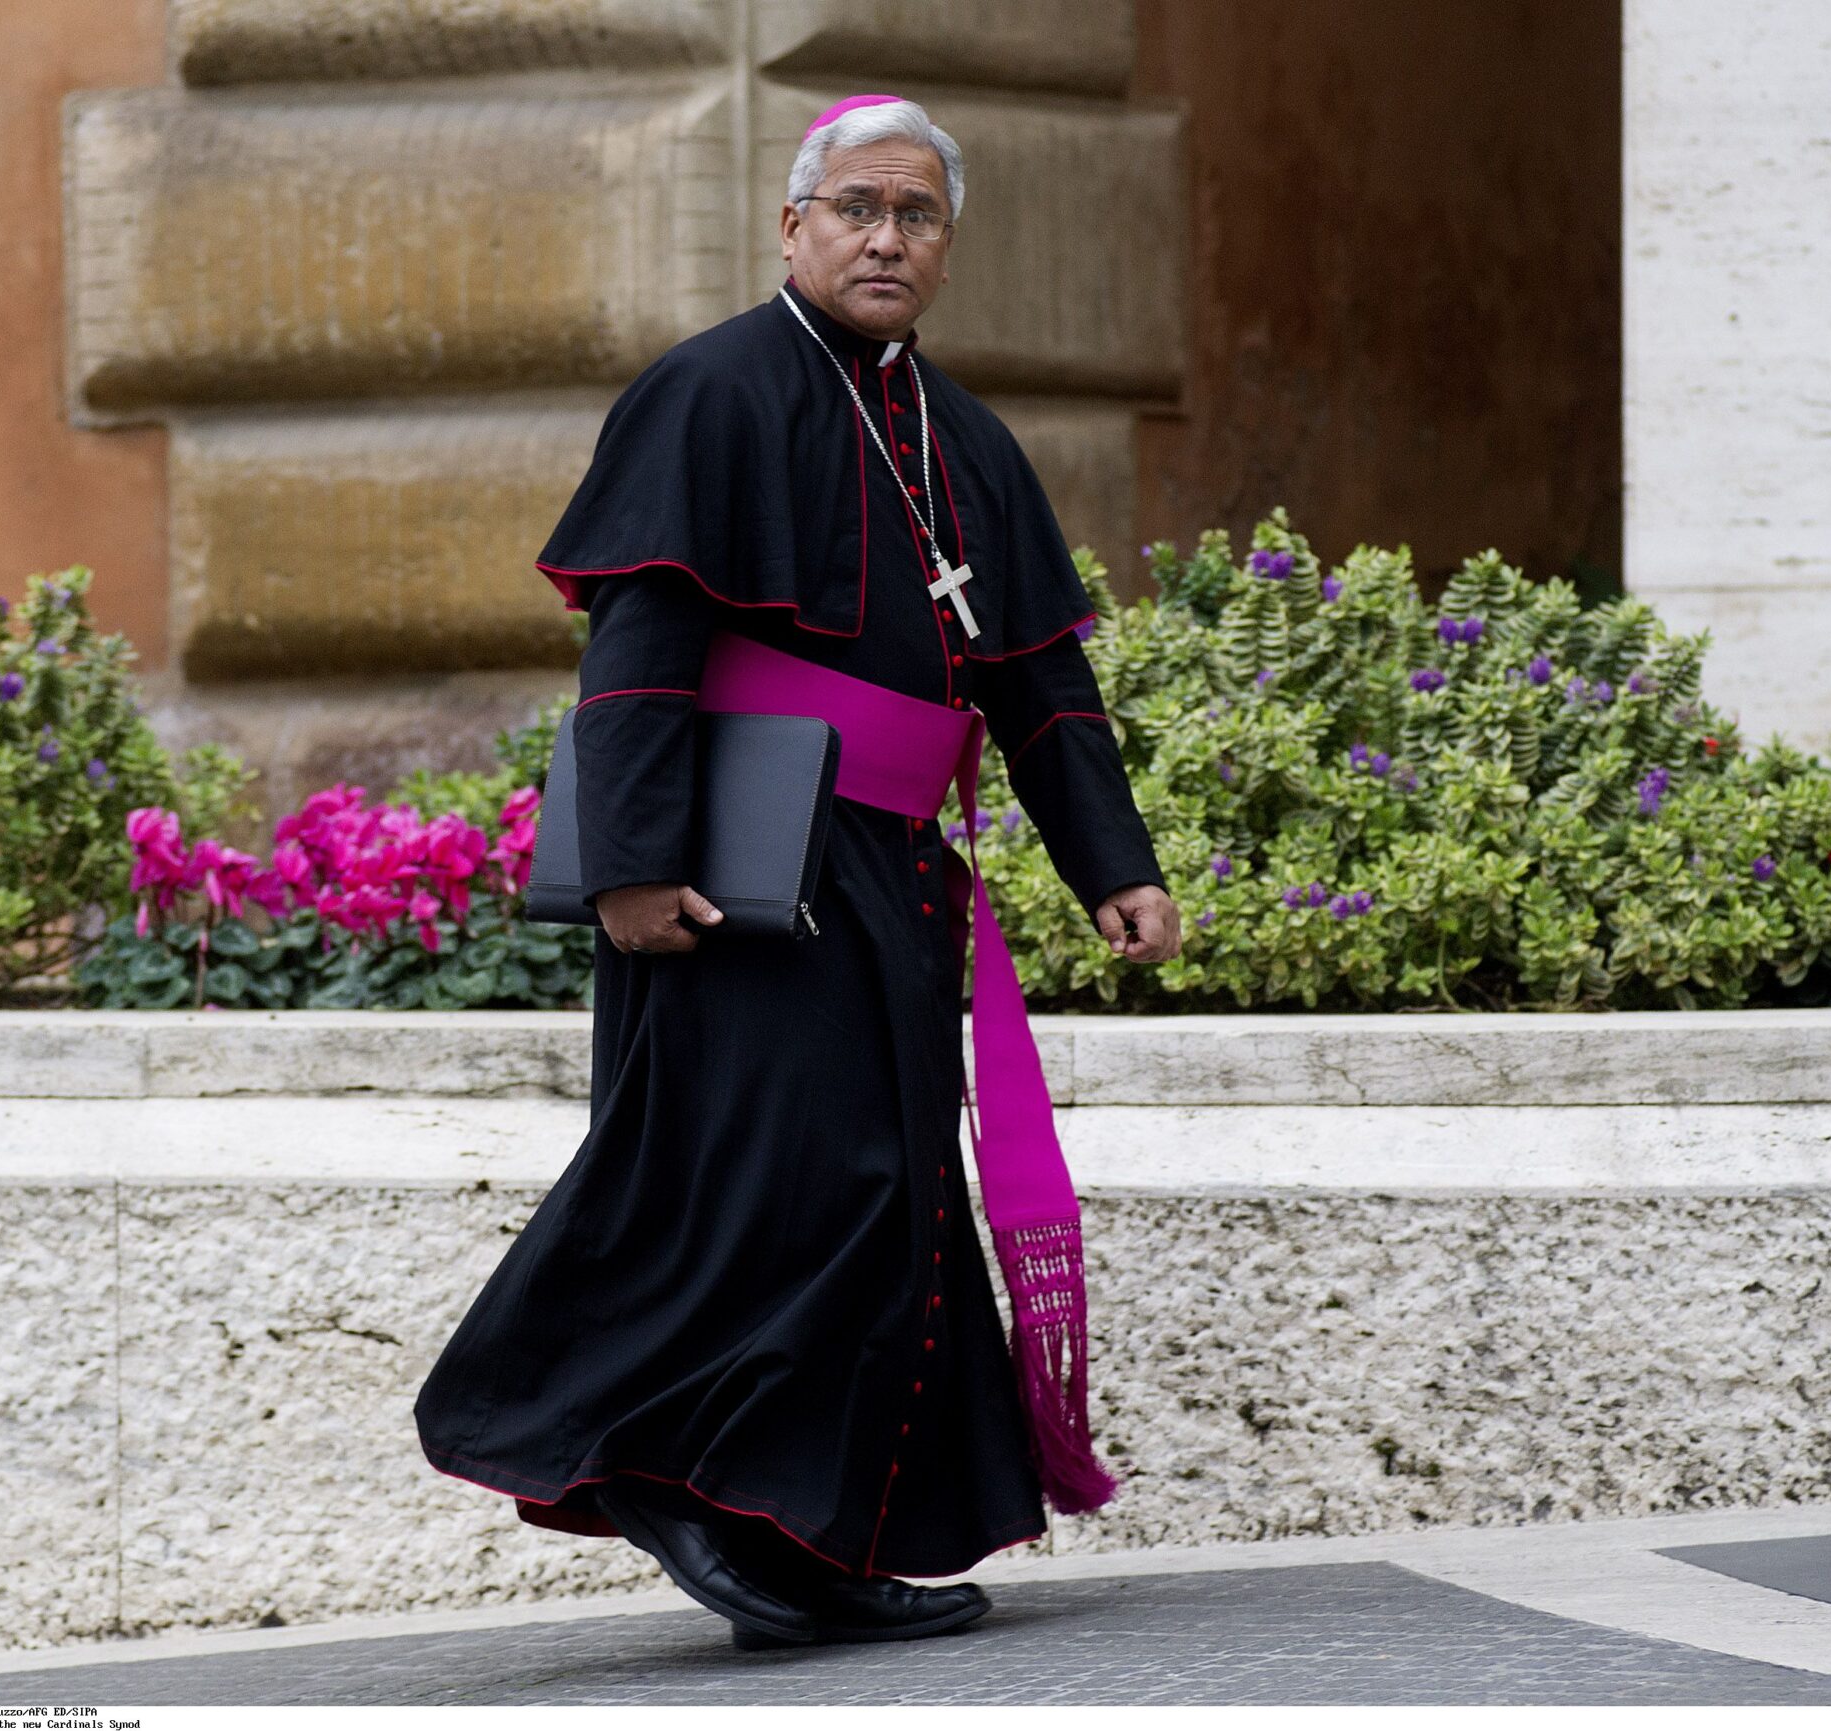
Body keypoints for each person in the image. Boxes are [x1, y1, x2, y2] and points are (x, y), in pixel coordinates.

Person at [414, 93, 1183, 1651]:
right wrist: (629, 873)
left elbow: (1039, 683)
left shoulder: (964, 437)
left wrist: (1116, 862)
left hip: (894, 874)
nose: (887, 237)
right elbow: (641, 653)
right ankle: (682, 1475)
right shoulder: (710, 392)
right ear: (795, 225)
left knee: (891, 1201)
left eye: (918, 216)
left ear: (944, 244)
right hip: (735, 871)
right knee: (766, 1191)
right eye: (858, 208)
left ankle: (822, 1536)